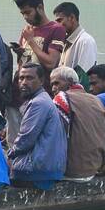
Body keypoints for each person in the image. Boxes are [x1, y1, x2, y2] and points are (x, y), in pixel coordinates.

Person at [7, 0, 67, 144]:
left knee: (33, 140)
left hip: (39, 96)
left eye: (28, 12)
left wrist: (32, 41)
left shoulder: (56, 29)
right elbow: (25, 62)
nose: (25, 17)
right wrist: (21, 52)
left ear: (40, 8)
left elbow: (50, 62)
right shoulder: (28, 30)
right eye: (22, 14)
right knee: (14, 141)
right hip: (17, 93)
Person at [49, 65, 105, 181]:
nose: (53, 88)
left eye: (57, 83)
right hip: (92, 171)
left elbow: (53, 137)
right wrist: (101, 163)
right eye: (52, 85)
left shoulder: (61, 98)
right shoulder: (95, 99)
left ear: (70, 82)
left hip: (70, 172)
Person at [6, 62, 66, 190]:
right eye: (21, 78)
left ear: (42, 80)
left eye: (29, 78)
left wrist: (9, 155)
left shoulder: (38, 103)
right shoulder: (42, 99)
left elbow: (25, 139)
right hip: (46, 168)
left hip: (38, 172)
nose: (23, 82)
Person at [53, 2, 97, 90]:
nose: (57, 25)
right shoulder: (66, 41)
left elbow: (85, 78)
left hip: (77, 99)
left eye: (60, 20)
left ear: (72, 18)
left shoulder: (85, 41)